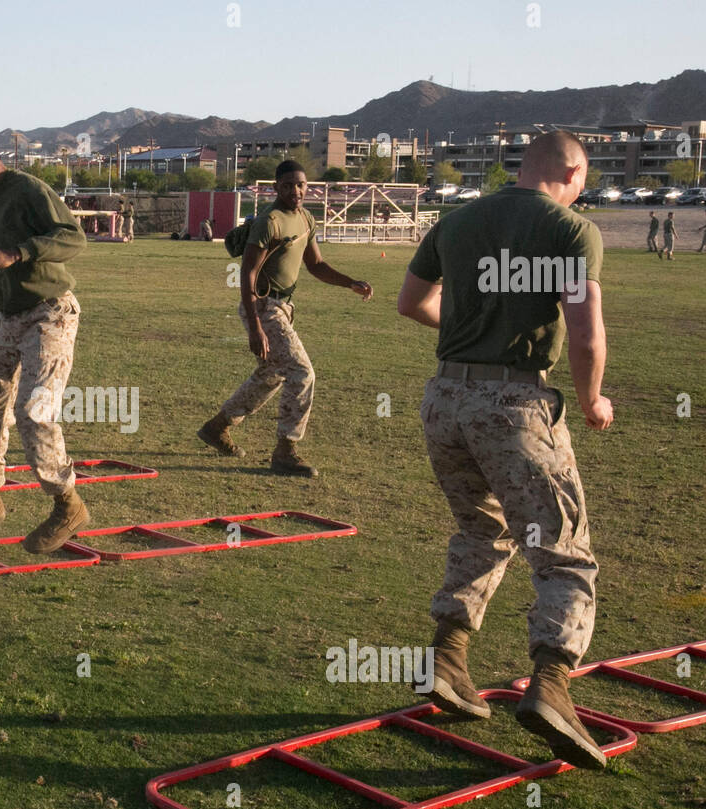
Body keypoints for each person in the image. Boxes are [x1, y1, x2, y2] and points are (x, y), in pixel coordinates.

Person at [395, 130, 613, 769]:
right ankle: (550, 686)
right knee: (563, 550)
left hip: (444, 401)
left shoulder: (458, 221)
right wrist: (594, 399)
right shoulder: (571, 230)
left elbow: (412, 304)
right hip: (513, 407)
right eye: (585, 180)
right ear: (571, 170)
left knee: (481, 529)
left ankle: (448, 658)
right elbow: (586, 335)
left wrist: (471, 336)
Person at [0, 129, 90, 553]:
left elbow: (73, 237)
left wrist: (17, 253)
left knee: (34, 412)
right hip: (11, 317)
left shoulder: (28, 189)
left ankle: (68, 505)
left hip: (50, 312)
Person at [197, 160, 373, 476]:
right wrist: (255, 327)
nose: (296, 190)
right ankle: (285, 451)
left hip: (284, 309)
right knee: (302, 372)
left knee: (272, 374)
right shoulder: (270, 221)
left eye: (301, 185)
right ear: (276, 187)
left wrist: (350, 282)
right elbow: (247, 274)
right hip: (264, 308)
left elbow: (316, 264)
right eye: (288, 185)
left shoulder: (306, 218)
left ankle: (217, 427)